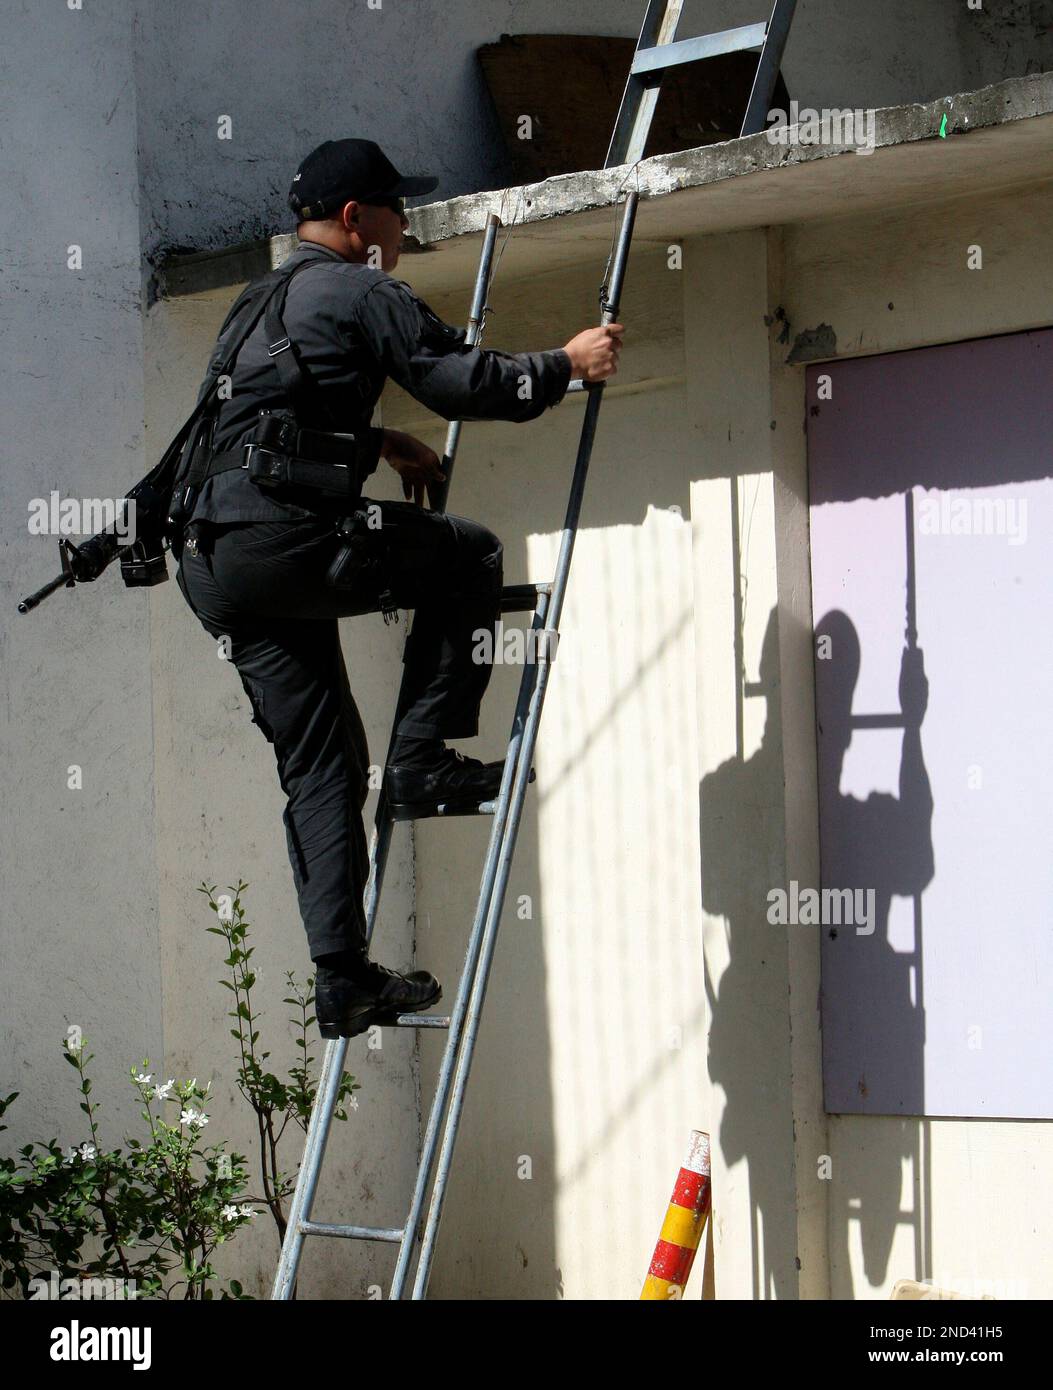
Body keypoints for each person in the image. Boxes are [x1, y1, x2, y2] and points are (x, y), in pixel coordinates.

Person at [175, 138, 623, 1038]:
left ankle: (342, 979)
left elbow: (261, 418)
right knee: (468, 554)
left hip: (214, 563)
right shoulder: (363, 288)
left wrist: (378, 443)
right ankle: (422, 758)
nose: (405, 228)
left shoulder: (257, 300)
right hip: (288, 543)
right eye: (395, 210)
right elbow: (457, 383)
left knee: (323, 764)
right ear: (354, 220)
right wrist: (565, 365)